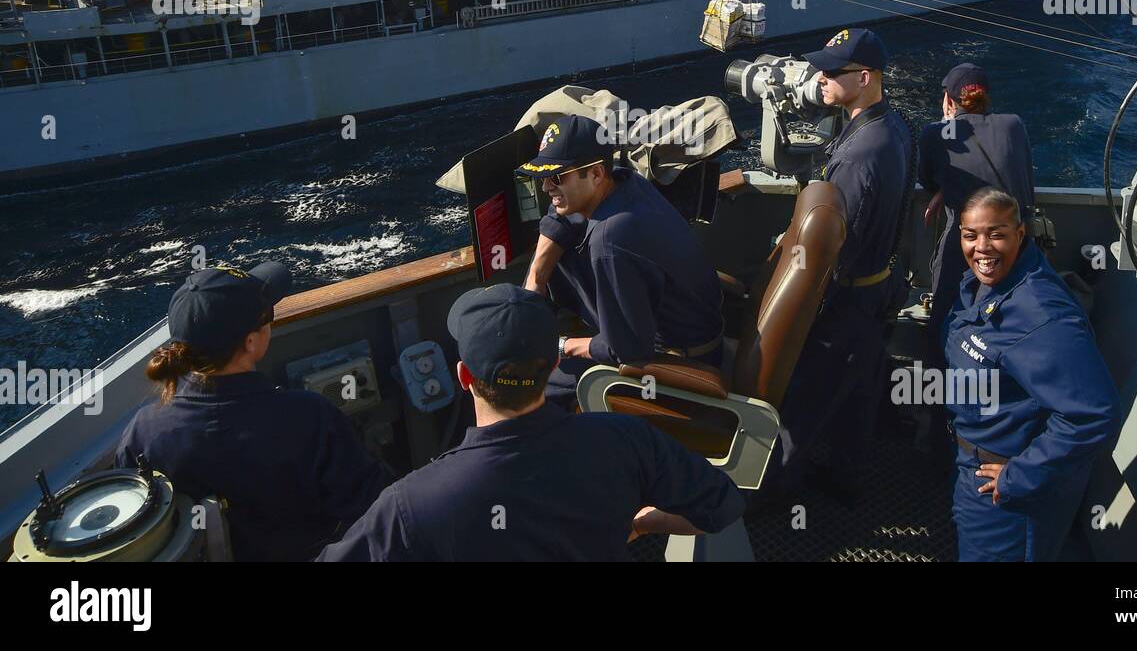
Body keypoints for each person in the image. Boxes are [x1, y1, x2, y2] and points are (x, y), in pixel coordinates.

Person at [319, 285, 745, 562]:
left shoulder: (411, 504)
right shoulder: (626, 438)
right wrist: (640, 522)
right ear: (556, 364)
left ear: (465, 376)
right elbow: (721, 507)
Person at [115, 263, 391, 562]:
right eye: (267, 317)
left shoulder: (144, 431)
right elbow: (375, 511)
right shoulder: (309, 416)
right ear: (251, 341)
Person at [762, 28, 914, 503]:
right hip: (880, 287)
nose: (820, 77)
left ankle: (775, 493)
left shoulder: (857, 155)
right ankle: (846, 479)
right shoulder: (896, 128)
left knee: (805, 397)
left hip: (847, 298)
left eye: (833, 71)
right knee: (858, 394)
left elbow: (832, 245)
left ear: (864, 78)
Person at [945, 188, 1120, 562]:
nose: (981, 248)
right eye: (970, 235)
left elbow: (1092, 413)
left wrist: (1017, 478)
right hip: (975, 462)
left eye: (996, 234)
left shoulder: (1042, 315)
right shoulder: (985, 286)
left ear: (1020, 234)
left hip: (1009, 492)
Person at [518, 116, 725, 407]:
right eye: (541, 178)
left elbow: (624, 351)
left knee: (532, 389)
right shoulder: (627, 182)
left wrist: (561, 346)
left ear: (596, 174)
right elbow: (559, 218)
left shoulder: (610, 240)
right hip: (695, 327)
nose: (545, 188)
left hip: (678, 365)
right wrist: (535, 281)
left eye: (557, 177)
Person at [919, 63, 1036, 345]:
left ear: (948, 100)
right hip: (1017, 246)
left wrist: (942, 189)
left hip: (966, 250)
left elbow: (927, 178)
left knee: (946, 319)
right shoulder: (1014, 124)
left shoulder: (935, 134)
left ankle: (942, 369)